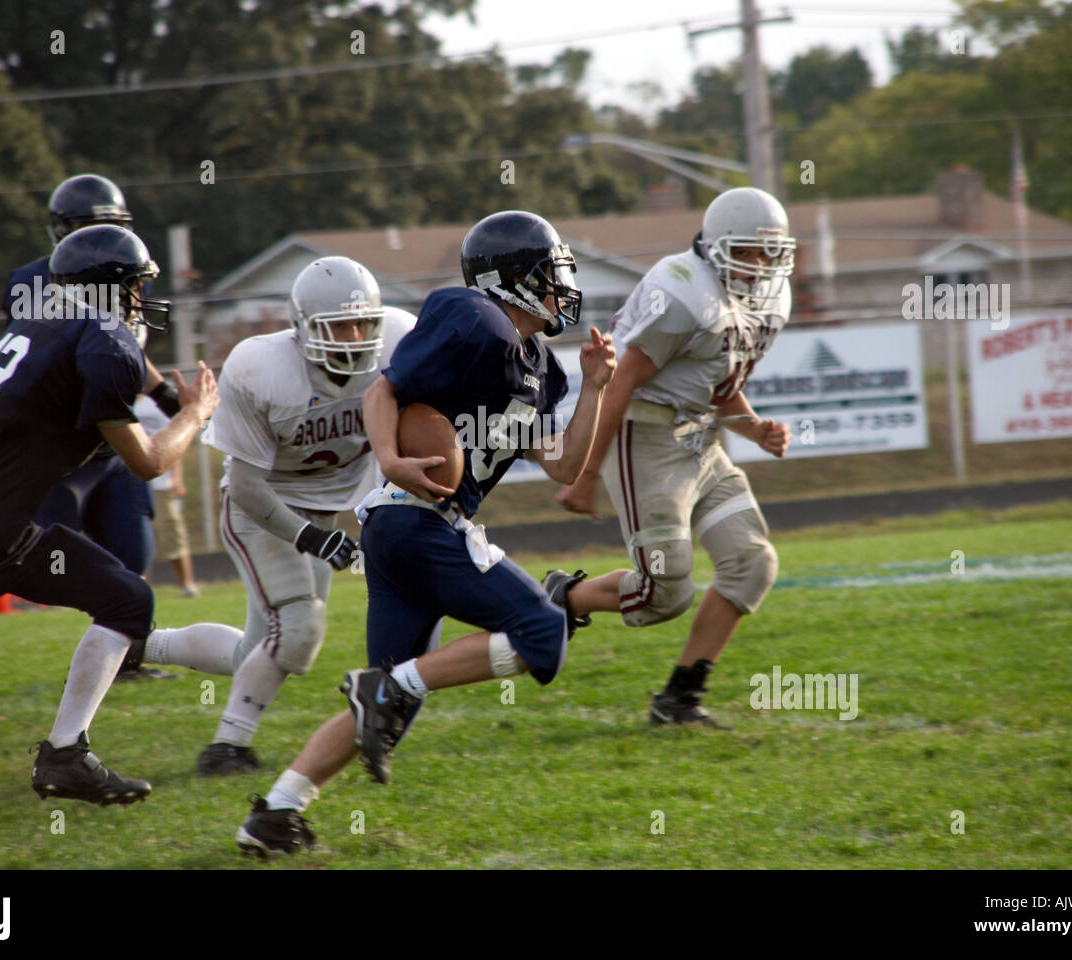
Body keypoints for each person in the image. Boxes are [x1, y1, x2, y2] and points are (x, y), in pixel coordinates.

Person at [232, 210, 616, 857]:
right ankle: (378, 690)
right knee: (542, 631)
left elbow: (564, 462)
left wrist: (596, 389)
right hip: (415, 518)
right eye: (551, 274)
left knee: (389, 706)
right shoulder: (473, 318)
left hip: (415, 531)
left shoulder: (541, 368)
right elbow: (384, 393)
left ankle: (275, 813)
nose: (561, 288)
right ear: (511, 278)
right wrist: (386, 455)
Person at [0, 225, 219, 806]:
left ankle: (65, 756)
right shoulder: (101, 342)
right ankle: (62, 753)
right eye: (132, 287)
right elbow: (149, 461)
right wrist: (195, 414)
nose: (138, 300)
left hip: (8, 537)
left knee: (129, 599)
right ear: (108, 289)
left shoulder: (36, 325)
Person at [136, 257, 416, 776]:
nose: (354, 337)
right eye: (338, 325)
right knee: (299, 629)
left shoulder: (401, 341)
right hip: (261, 509)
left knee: (256, 655)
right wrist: (311, 537)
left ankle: (139, 645)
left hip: (324, 515)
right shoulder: (261, 367)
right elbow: (244, 485)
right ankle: (227, 747)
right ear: (303, 326)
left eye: (363, 323)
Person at [549, 186, 795, 728]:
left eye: (773, 251)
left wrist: (753, 429)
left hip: (700, 440)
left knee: (752, 562)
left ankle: (680, 699)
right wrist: (586, 472)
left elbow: (716, 382)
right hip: (644, 439)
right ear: (720, 246)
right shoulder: (683, 291)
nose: (765, 264)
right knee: (665, 591)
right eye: (754, 250)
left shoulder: (766, 300)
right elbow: (621, 383)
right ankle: (565, 598)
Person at [6, 176, 178, 592]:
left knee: (133, 557)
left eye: (118, 224)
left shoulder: (131, 269)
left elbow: (125, 345)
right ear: (62, 229)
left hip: (114, 438)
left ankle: (129, 655)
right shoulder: (32, 283)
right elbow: (37, 355)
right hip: (60, 445)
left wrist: (160, 391)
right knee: (44, 566)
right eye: (87, 227)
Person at [132, 393, 200, 597]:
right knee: (137, 537)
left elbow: (173, 443)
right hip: (131, 482)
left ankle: (187, 584)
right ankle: (141, 588)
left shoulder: (156, 404)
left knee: (172, 533)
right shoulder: (119, 400)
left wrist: (176, 478)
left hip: (161, 482)